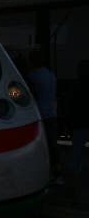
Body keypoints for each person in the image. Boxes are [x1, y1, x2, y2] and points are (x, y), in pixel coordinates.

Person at [28, 50, 60, 178]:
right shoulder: (51, 75)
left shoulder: (33, 76)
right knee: (53, 144)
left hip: (39, 115)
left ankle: (43, 171)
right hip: (52, 113)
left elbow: (21, 93)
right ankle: (56, 170)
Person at [67, 64, 89, 176]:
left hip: (79, 122)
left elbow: (71, 105)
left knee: (77, 148)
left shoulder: (75, 87)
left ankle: (75, 168)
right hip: (83, 121)